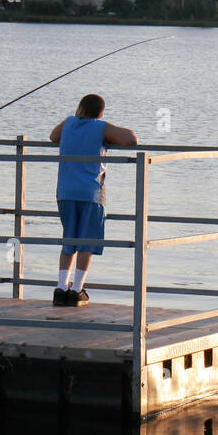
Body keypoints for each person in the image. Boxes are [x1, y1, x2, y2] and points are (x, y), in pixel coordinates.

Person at [49, 93, 137, 307]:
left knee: (69, 239)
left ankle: (61, 288)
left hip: (65, 192)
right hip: (91, 193)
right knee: (87, 241)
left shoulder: (69, 123)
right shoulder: (101, 127)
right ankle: (77, 290)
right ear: (100, 113)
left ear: (79, 108)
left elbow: (53, 136)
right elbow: (131, 139)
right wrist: (106, 131)